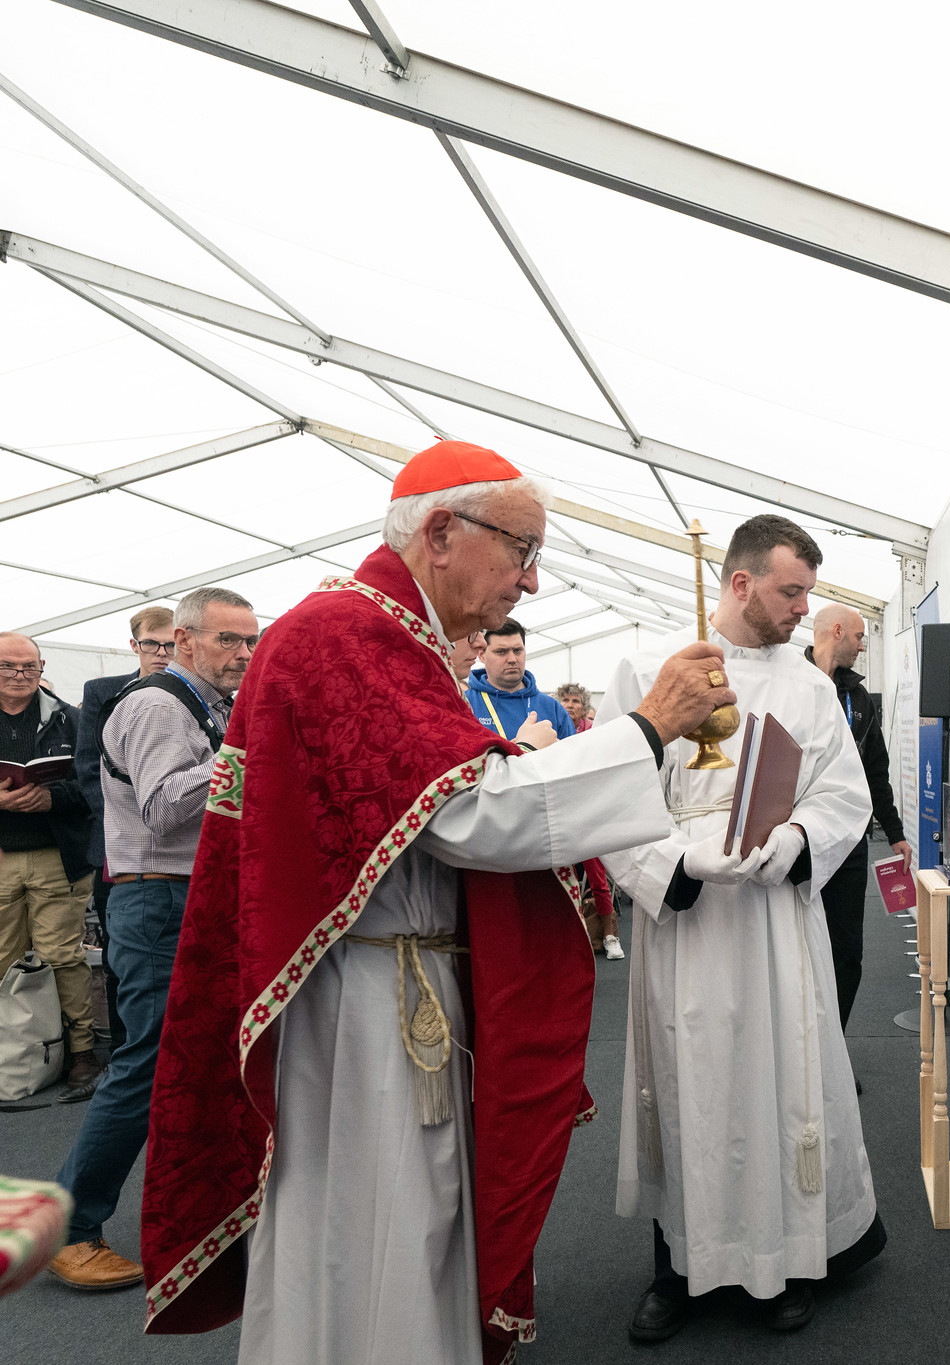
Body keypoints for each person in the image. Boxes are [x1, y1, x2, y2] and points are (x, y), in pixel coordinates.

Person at [138, 441, 735, 1363]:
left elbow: (448, 794)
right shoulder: (343, 634)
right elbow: (468, 817)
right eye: (523, 552)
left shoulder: (392, 637)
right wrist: (648, 726)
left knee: (411, 1220)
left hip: (402, 985)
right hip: (367, 1011)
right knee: (384, 1222)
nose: (531, 584)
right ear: (444, 529)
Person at [601, 514, 882, 1341]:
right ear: (740, 583)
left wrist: (795, 842)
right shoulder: (655, 668)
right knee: (687, 1086)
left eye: (807, 592)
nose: (804, 609)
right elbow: (610, 790)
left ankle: (780, 1264)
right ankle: (676, 1271)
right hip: (684, 927)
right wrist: (675, 868)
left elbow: (845, 795)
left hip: (769, 923)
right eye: (790, 590)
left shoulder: (810, 687)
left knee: (772, 1082)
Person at [48, 588, 253, 1292]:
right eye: (229, 639)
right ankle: (68, 1226)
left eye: (250, 641)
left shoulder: (203, 707)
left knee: (193, 1061)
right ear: (184, 640)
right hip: (158, 897)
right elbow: (165, 808)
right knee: (145, 1065)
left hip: (179, 896)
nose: (244, 654)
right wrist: (252, 759)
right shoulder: (158, 704)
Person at [76, 607, 179, 1056]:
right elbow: (87, 771)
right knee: (123, 962)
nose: (161, 653)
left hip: (174, 848)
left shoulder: (195, 696)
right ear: (133, 645)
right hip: (120, 850)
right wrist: (132, 822)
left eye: (169, 645)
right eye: (152, 644)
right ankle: (123, 1051)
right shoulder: (104, 692)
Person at [806, 603, 911, 1027]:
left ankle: (832, 1052)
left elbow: (876, 772)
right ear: (837, 632)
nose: (863, 646)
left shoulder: (860, 698)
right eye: (859, 636)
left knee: (847, 954)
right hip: (796, 843)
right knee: (797, 952)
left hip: (848, 844)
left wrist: (896, 833)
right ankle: (798, 1059)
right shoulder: (788, 684)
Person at [0, 632, 94, 1097]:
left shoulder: (72, 721)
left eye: (29, 667)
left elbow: (95, 790)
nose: (20, 676)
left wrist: (49, 798)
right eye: (8, 667)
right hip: (2, 859)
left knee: (62, 956)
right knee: (3, 961)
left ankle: (81, 1052)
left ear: (42, 667)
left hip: (59, 858)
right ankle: (15, 1050)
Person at [465, 619, 575, 746]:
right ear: (482, 655)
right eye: (501, 652)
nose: (512, 659)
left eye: (517, 650)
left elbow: (574, 758)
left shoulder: (552, 708)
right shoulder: (465, 704)